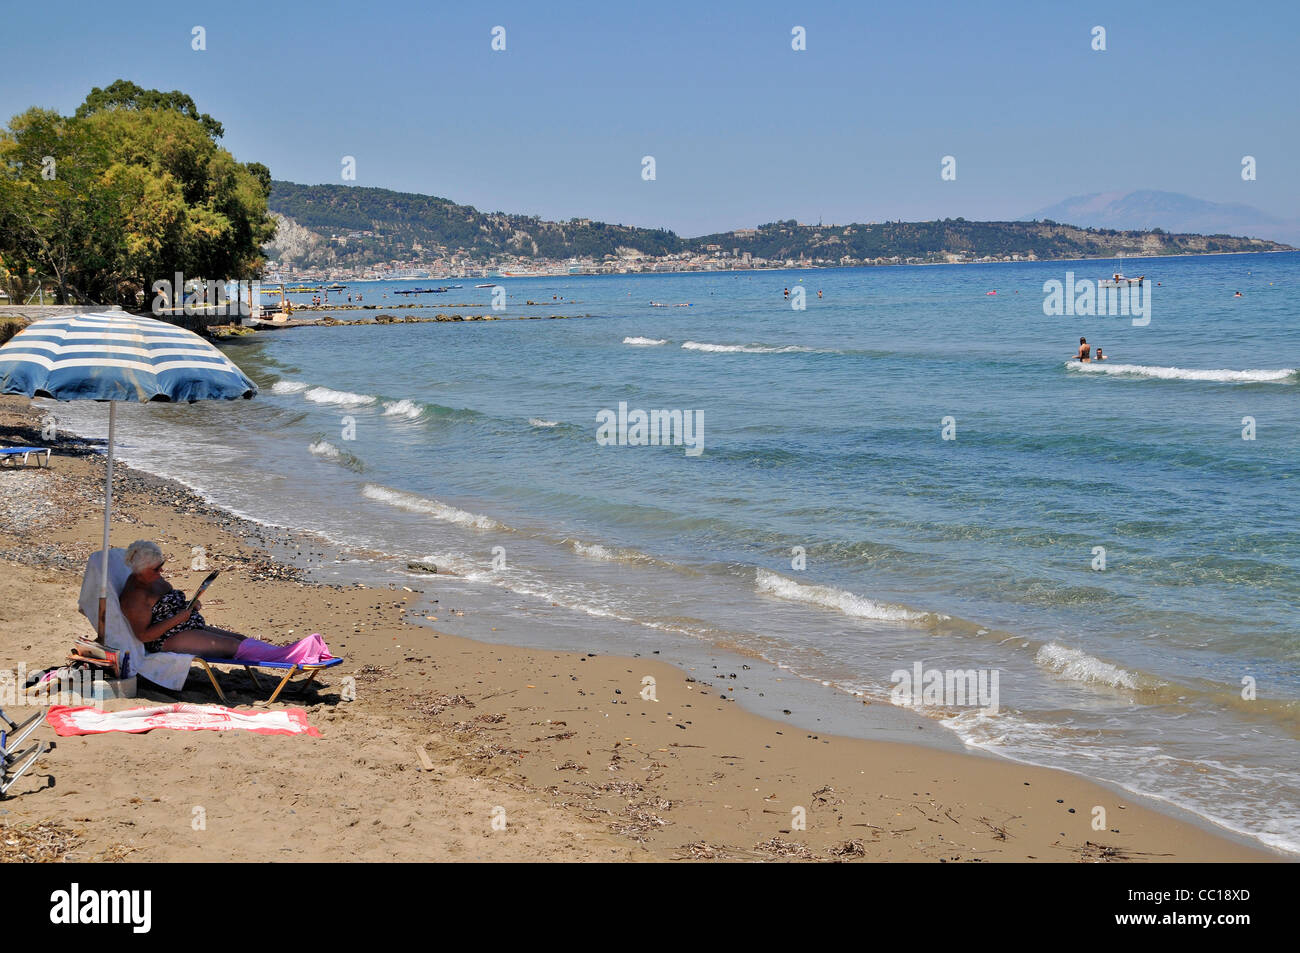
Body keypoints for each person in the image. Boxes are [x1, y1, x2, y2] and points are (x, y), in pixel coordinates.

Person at [119, 541, 248, 658]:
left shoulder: (151, 578)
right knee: (233, 645)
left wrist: (189, 605)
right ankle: (268, 657)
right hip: (166, 638)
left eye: (161, 565)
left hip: (184, 625)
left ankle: (268, 653)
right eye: (156, 568)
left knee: (242, 640)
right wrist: (178, 619)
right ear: (140, 570)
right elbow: (143, 636)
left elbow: (163, 607)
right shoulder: (135, 597)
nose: (161, 570)